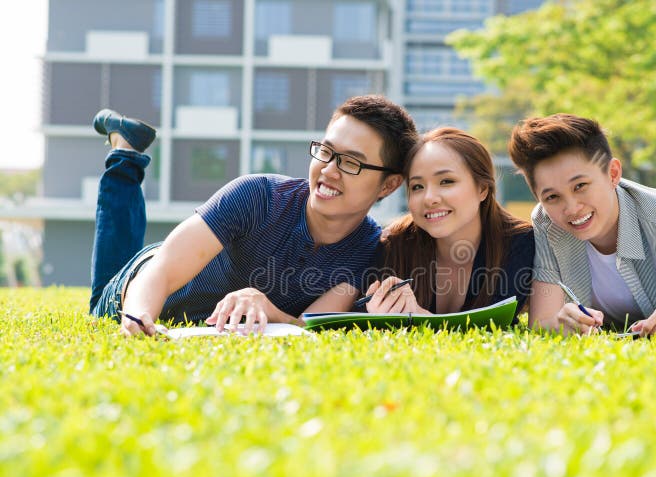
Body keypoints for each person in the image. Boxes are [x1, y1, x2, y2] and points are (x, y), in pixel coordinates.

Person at [89, 95, 418, 336]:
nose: (328, 170)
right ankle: (125, 154)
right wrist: (139, 316)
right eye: (326, 151)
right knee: (103, 293)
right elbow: (163, 269)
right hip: (144, 282)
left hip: (201, 324)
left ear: (389, 185)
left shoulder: (369, 251)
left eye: (350, 162)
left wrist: (267, 307)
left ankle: (126, 149)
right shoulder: (258, 196)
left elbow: (309, 328)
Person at [508, 113, 656, 337]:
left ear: (613, 173)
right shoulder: (546, 223)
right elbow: (542, 323)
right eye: (552, 197)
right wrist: (562, 322)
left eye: (580, 186)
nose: (571, 208)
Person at [362, 127, 534, 319]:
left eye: (446, 181)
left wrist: (418, 315)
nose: (429, 198)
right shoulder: (394, 244)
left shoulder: (519, 243)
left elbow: (492, 325)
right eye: (417, 186)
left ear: (482, 189)